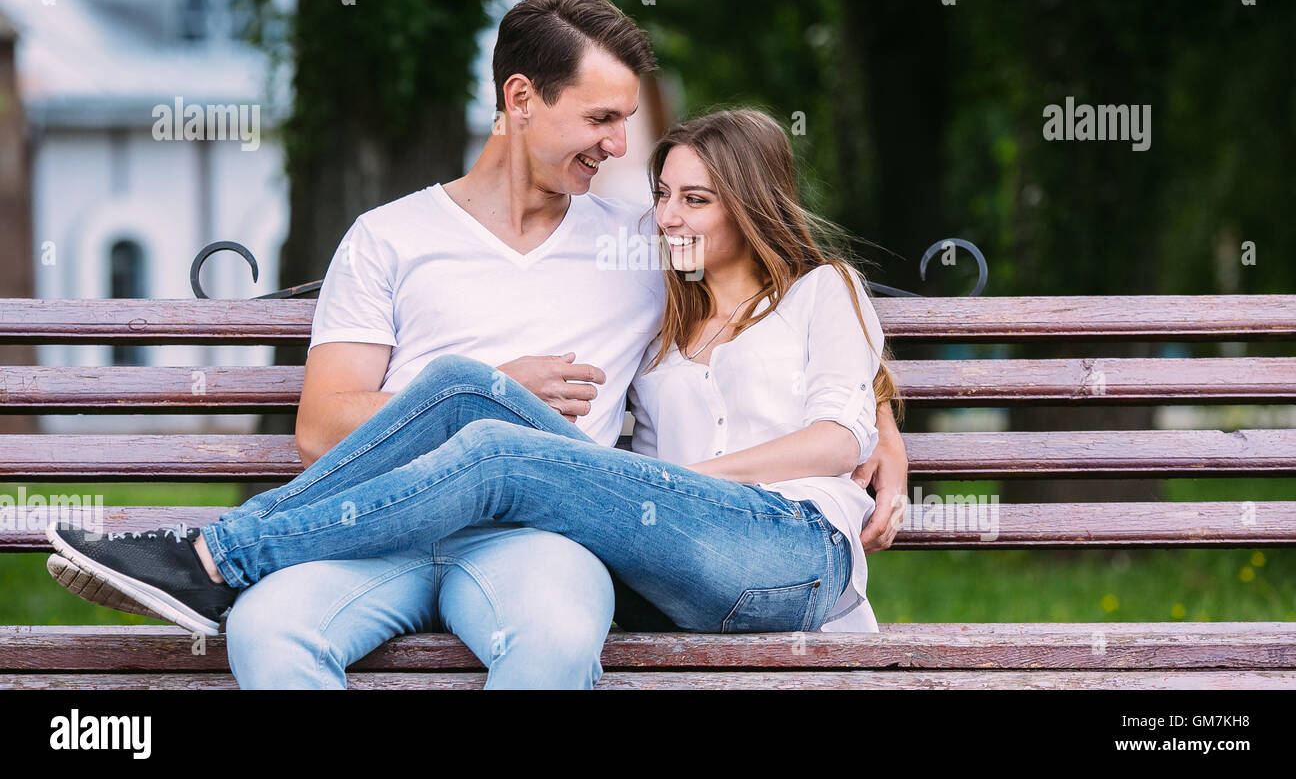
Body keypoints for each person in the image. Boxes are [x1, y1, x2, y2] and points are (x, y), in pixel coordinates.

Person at [50, 106, 906, 647]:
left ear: (752, 206)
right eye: (666, 194)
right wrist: (658, 488)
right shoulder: (657, 310)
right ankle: (216, 555)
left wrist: (875, 436)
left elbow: (841, 432)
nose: (668, 215)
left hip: (789, 552)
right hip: (676, 572)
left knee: (497, 449)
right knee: (466, 388)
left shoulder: (823, 291)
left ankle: (215, 556)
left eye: (698, 200)